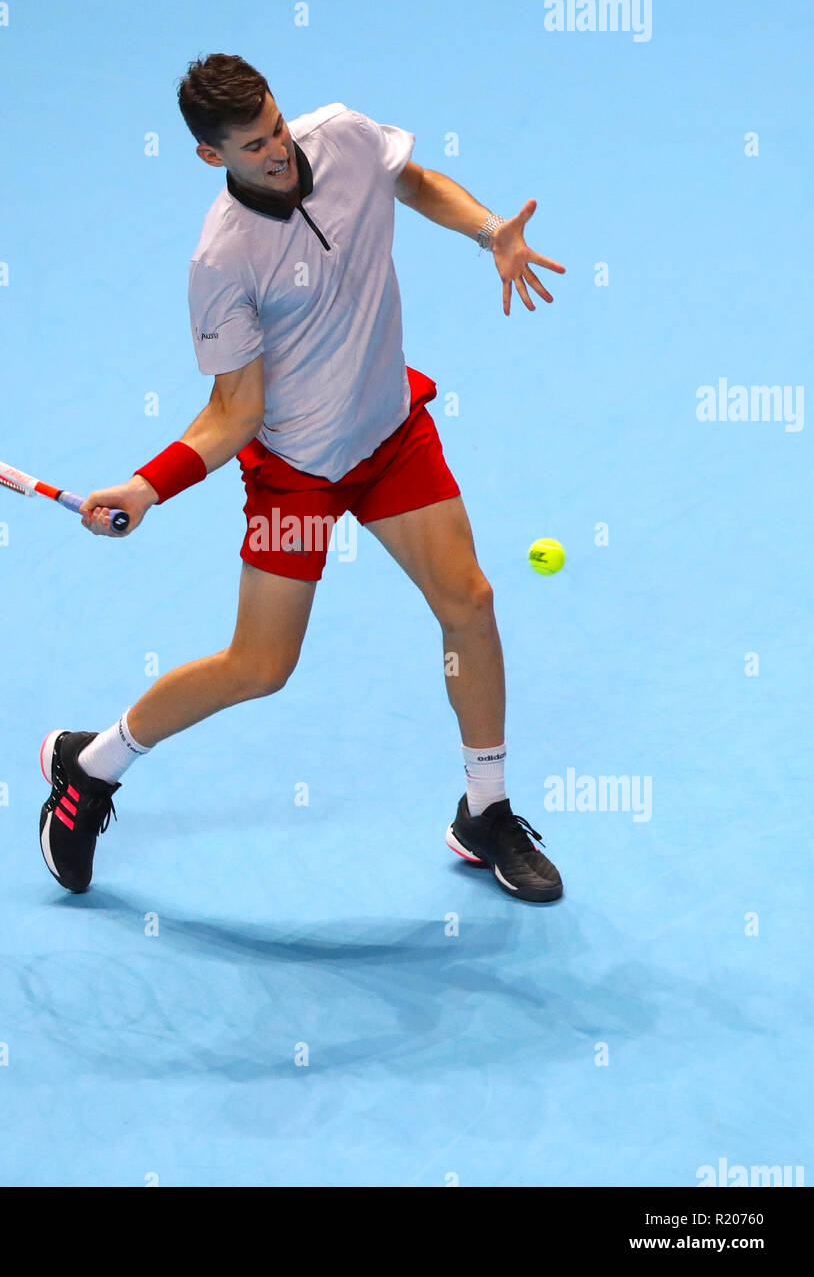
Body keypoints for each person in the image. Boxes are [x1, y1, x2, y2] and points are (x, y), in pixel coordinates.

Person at [38, 53, 566, 903]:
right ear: (213, 158)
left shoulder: (346, 137)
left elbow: (418, 182)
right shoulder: (222, 263)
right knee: (259, 666)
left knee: (470, 601)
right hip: (300, 473)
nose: (281, 151)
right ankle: (92, 765)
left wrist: (488, 228)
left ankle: (486, 810)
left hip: (391, 433)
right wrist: (147, 485)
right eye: (254, 146)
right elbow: (233, 412)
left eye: (278, 127)